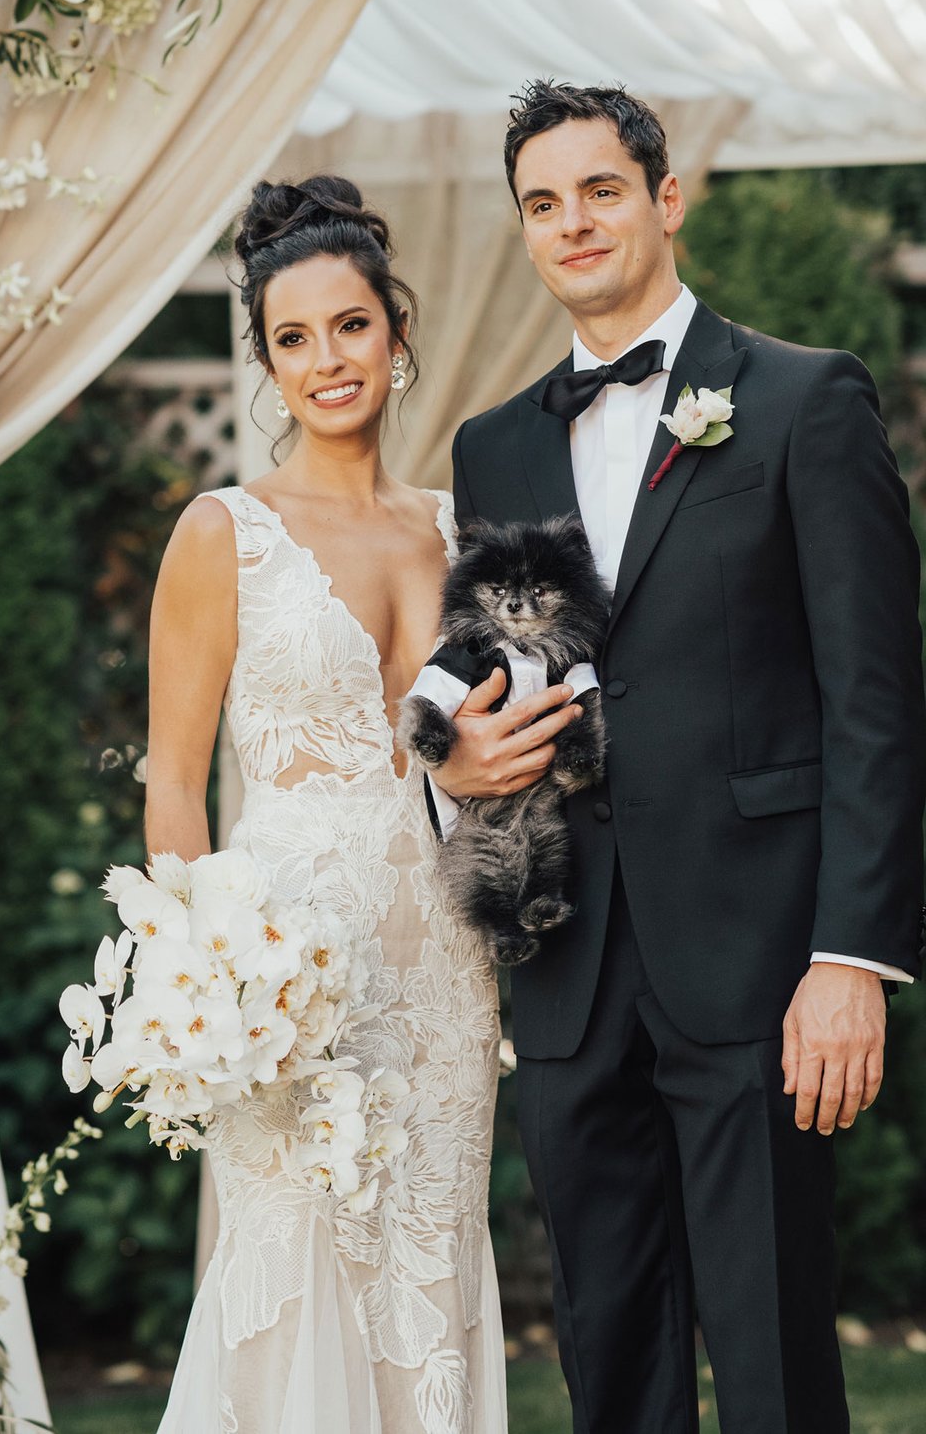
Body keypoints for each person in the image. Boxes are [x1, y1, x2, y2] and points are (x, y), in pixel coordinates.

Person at [433, 80, 926, 1434]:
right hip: (572, 963)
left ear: (664, 199)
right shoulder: (494, 447)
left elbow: (876, 701)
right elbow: (491, 679)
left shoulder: (801, 402)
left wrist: (851, 959)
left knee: (770, 1352)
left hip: (763, 962)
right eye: (543, 202)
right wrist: (463, 759)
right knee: (609, 1349)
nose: (572, 222)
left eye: (600, 189)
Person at [145, 176, 581, 1433]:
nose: (325, 359)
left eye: (348, 326)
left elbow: (512, 756)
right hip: (287, 971)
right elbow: (174, 778)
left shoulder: (465, 535)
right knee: (294, 1266)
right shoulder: (219, 533)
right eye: (292, 337)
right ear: (267, 365)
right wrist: (203, 979)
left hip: (444, 965)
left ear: (392, 336)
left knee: (429, 1261)